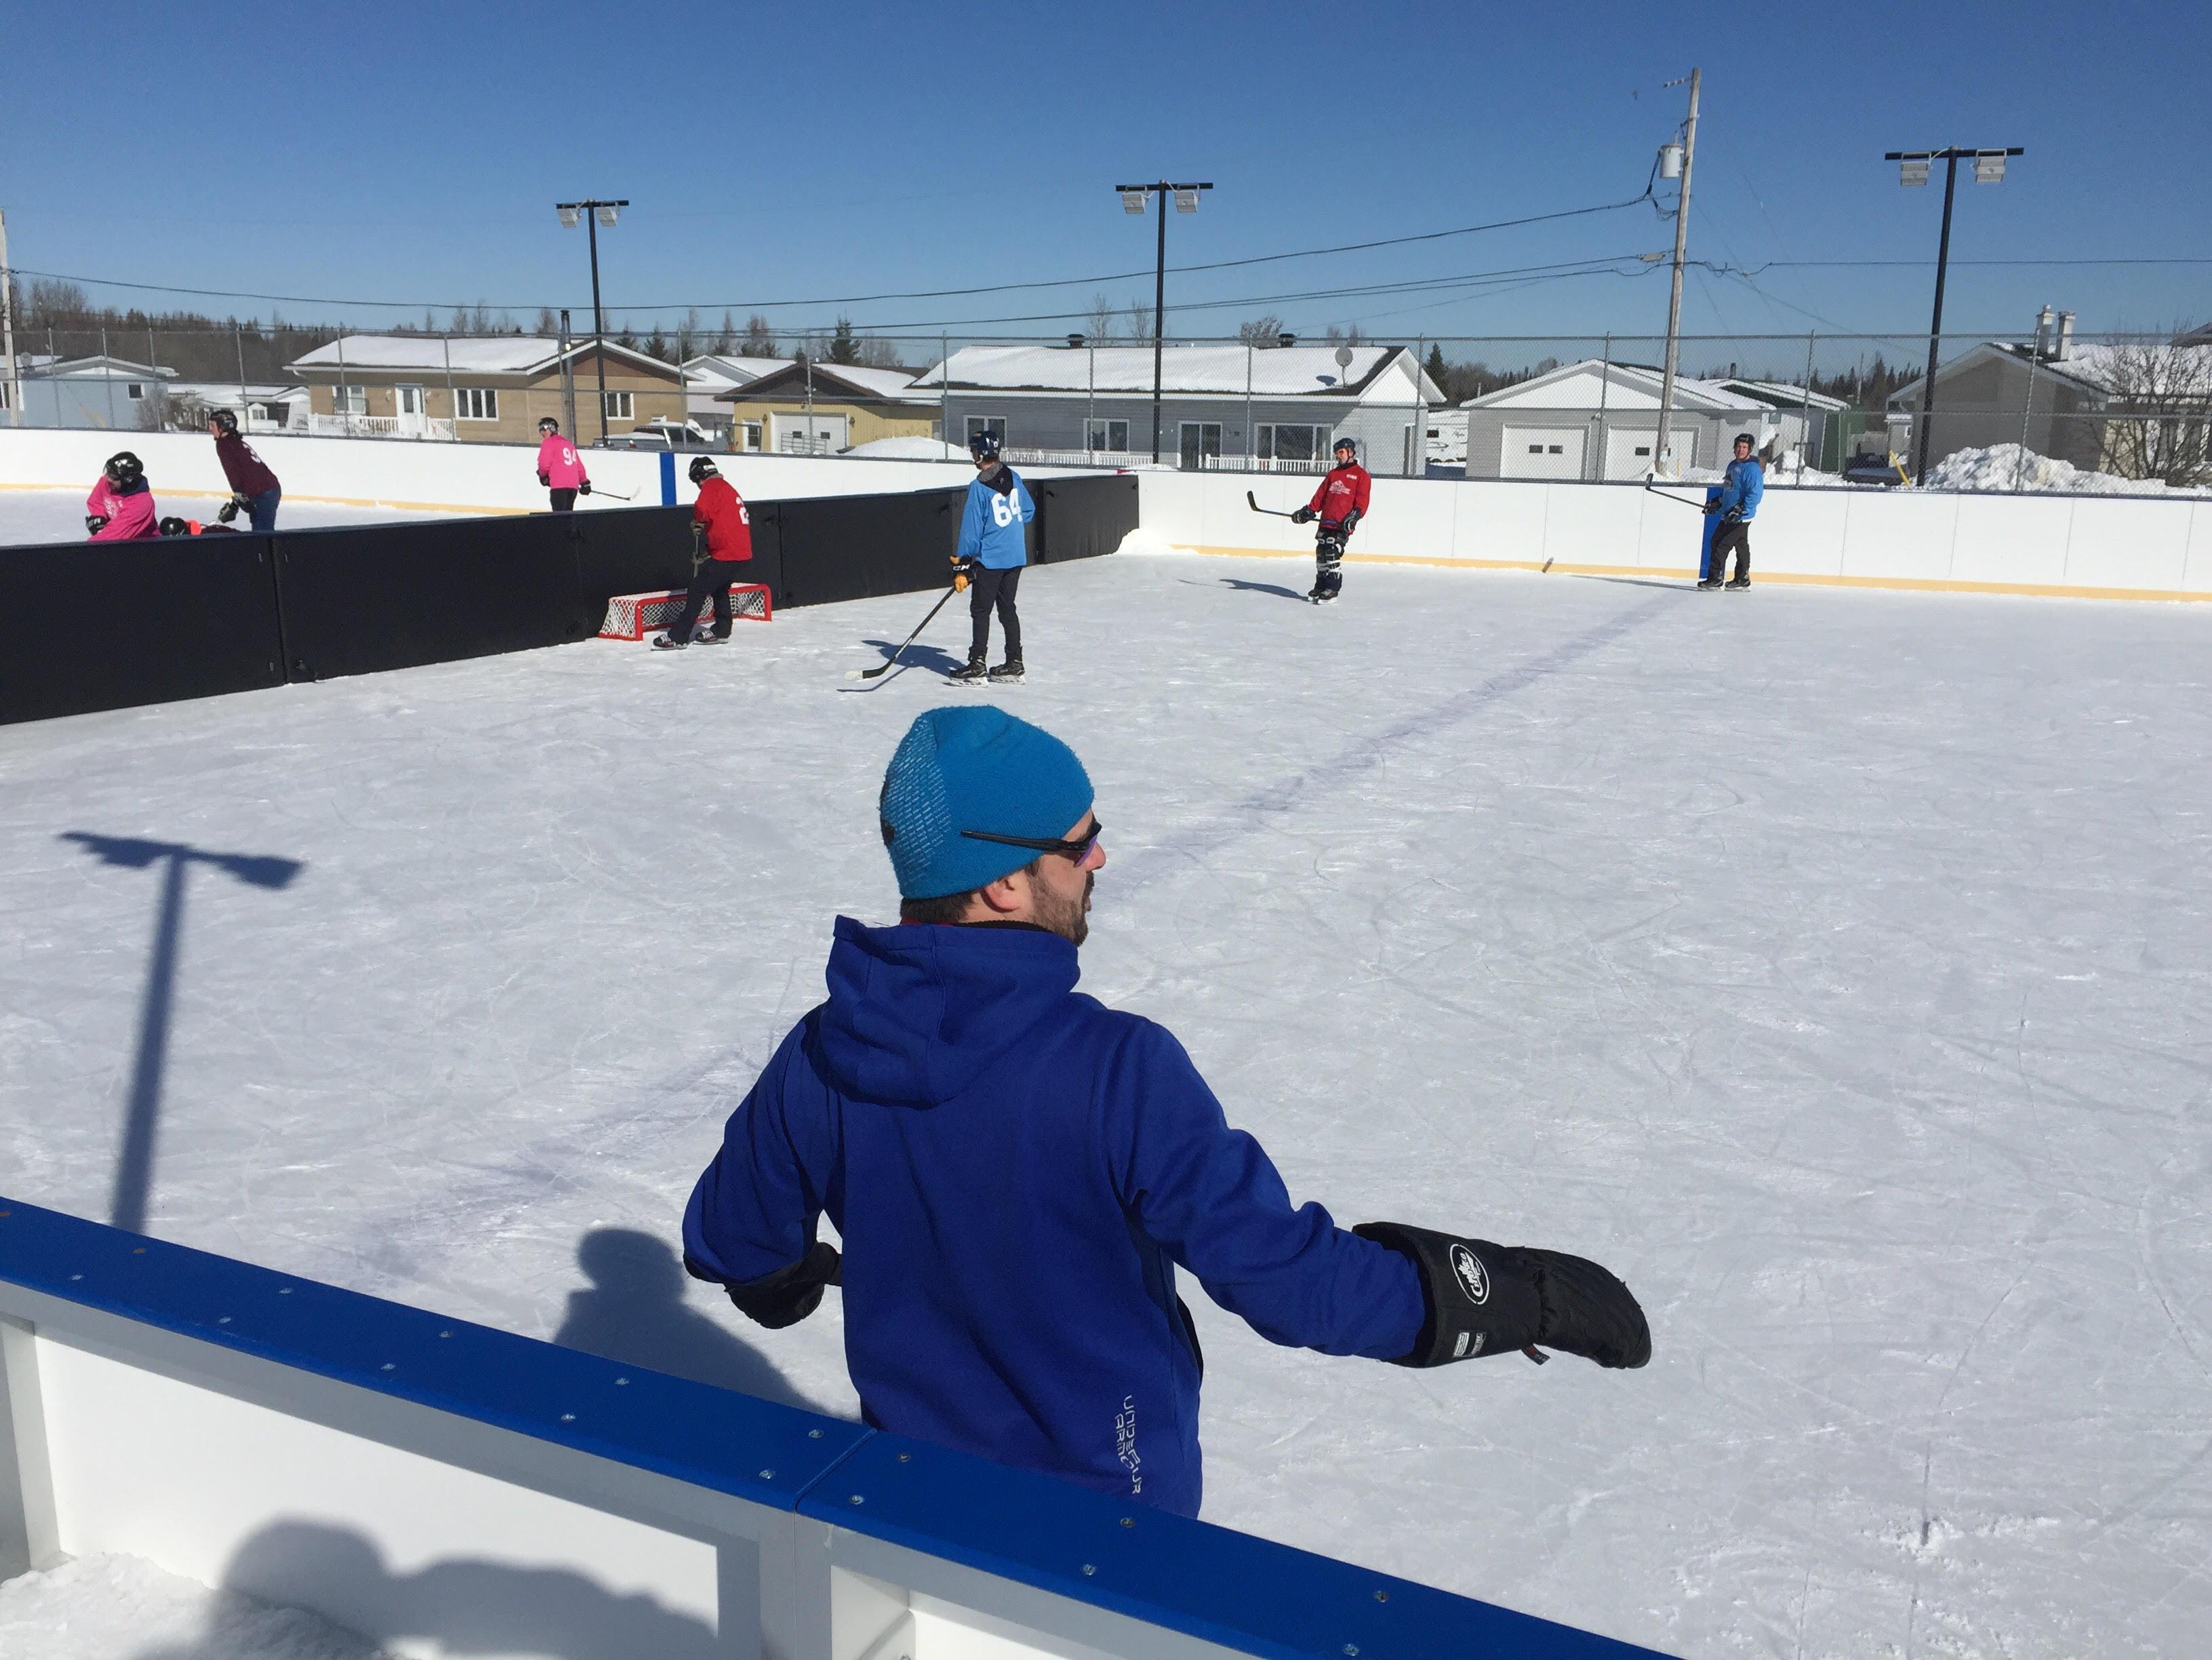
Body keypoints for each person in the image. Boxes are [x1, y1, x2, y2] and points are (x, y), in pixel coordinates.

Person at [681, 706, 1650, 1518]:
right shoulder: (1114, 1071)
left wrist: (784, 1278)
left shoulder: (822, 1053)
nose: (1098, 857)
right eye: (1078, 843)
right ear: (1004, 883)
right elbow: (1286, 1280)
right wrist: (1511, 1295)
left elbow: (737, 1244)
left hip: (914, 1507)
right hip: (1113, 1511)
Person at [948, 431, 1032, 684]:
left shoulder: (978, 487)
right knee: (1008, 608)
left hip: (992, 559)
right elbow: (1027, 511)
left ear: (981, 454)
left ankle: (977, 665)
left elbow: (972, 529)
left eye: (974, 450)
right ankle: (1015, 664)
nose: (972, 455)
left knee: (981, 609)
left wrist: (963, 563)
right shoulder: (1014, 476)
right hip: (1016, 557)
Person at [653, 456, 753, 649]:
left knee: (698, 588)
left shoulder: (711, 487)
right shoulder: (726, 487)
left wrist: (698, 521)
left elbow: (702, 509)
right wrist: (708, 552)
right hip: (741, 552)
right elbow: (726, 527)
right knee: (719, 587)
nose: (698, 485)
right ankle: (722, 630)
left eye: (696, 480)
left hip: (729, 553)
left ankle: (678, 636)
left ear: (701, 475)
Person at [1290, 435, 1371, 603]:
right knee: (1321, 553)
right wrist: (1308, 511)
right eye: (1336, 453)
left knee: (1332, 552)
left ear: (1350, 452)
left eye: (1341, 452)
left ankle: (1333, 589)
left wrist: (1355, 516)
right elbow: (1321, 496)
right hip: (1326, 521)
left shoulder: (1361, 476)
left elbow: (1362, 501)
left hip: (1342, 524)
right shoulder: (1333, 474)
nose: (1338, 456)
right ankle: (1321, 586)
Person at [1698, 433, 1765, 591]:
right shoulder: (1732, 465)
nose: (1741, 450)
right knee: (1740, 545)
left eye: (1744, 447)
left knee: (1721, 544)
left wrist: (1741, 509)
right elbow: (1729, 490)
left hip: (1741, 517)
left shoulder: (1752, 469)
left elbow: (1756, 494)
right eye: (1738, 447)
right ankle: (1742, 578)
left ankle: (1715, 579)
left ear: (1749, 449)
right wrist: (1718, 503)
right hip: (1729, 514)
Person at [206, 410, 282, 531]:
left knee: (262, 535)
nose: (210, 428)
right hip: (267, 489)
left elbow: (234, 473)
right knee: (262, 532)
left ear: (223, 426)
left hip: (263, 491)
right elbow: (244, 470)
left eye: (212, 425)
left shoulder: (224, 445)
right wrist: (238, 499)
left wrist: (239, 496)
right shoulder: (234, 441)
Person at [85, 452, 159, 541]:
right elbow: (96, 501)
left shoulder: (142, 503)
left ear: (127, 480)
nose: (109, 479)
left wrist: (86, 550)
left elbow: (114, 535)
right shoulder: (108, 483)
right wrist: (100, 518)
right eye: (108, 474)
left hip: (143, 548)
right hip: (118, 544)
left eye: (114, 477)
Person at [536, 416, 592, 513]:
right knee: (568, 515)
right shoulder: (568, 444)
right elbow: (578, 466)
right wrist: (584, 481)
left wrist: (542, 475)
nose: (542, 433)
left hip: (558, 487)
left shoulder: (549, 443)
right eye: (541, 430)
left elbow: (544, 464)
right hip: (573, 488)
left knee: (559, 518)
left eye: (544, 429)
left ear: (552, 428)